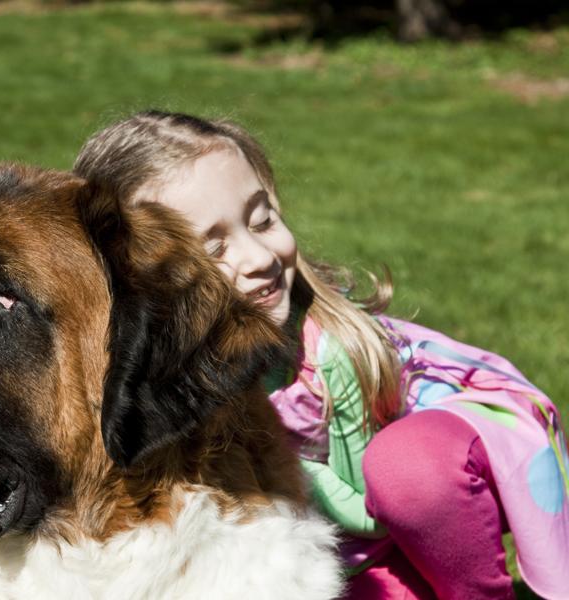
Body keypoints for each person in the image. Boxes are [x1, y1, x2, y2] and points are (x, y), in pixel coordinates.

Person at [73, 110, 569, 600]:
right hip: (342, 546)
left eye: (262, 220)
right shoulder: (147, 390)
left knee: (408, 467)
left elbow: (368, 516)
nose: (260, 257)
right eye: (215, 248)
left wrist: (275, 468)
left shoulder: (330, 354)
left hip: (430, 491)